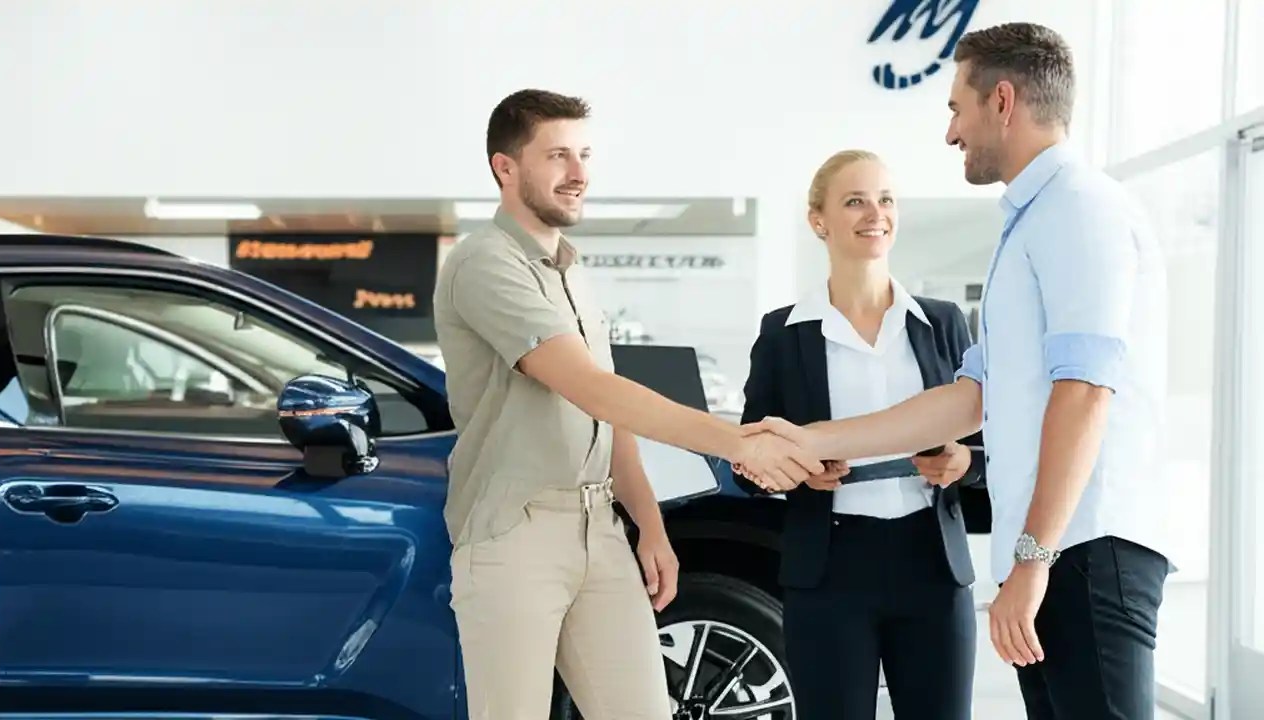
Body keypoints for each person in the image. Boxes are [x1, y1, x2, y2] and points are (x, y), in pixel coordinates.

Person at [744, 22, 1172, 720]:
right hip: (1052, 555)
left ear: (1001, 101)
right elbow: (965, 402)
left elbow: (1087, 391)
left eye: (955, 108)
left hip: (1086, 553)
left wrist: (1033, 560)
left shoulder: (1079, 210)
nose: (950, 133)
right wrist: (803, 442)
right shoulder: (1028, 226)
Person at [432, 88, 823, 720]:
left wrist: (651, 525)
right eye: (558, 154)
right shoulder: (484, 262)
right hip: (514, 533)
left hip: (599, 528)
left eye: (584, 154)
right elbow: (587, 385)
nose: (580, 173)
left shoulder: (572, 272)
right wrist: (737, 441)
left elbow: (608, 414)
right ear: (506, 167)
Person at [735, 149, 984, 720]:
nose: (876, 213)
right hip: (829, 570)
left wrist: (963, 463)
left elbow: (992, 441)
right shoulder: (783, 334)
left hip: (932, 564)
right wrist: (797, 471)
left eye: (886, 199)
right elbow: (749, 464)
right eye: (855, 201)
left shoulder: (942, 322)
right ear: (818, 219)